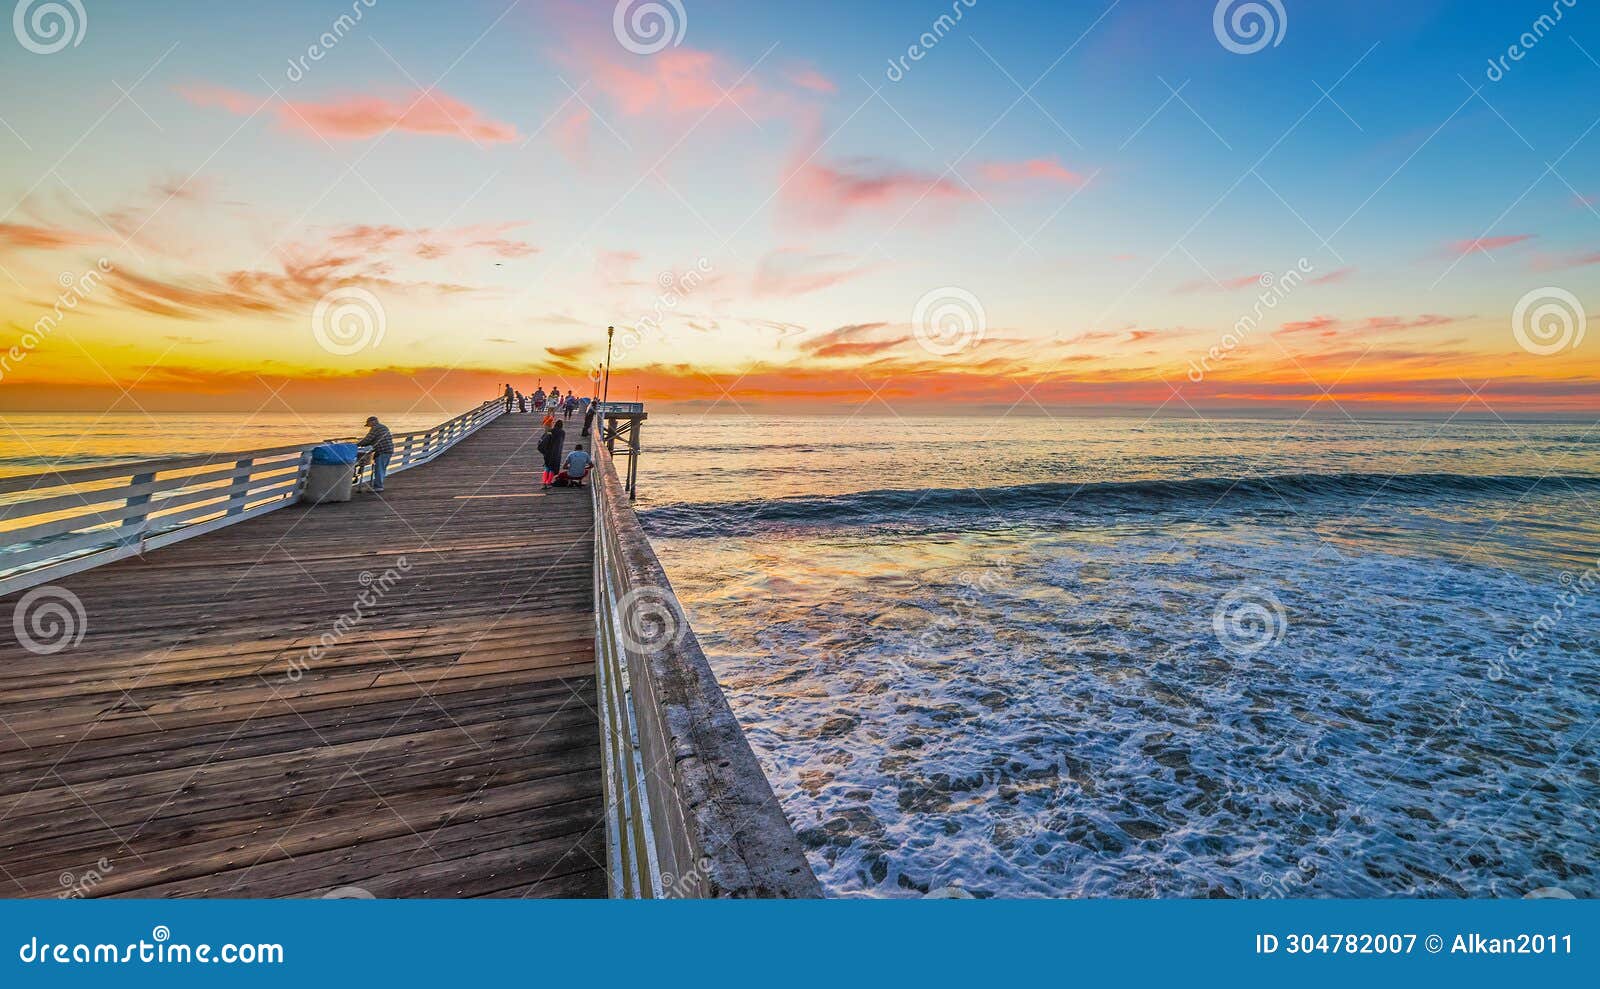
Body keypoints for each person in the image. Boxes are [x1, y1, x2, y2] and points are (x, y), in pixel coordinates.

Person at [356, 415, 394, 493]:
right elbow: (373, 440)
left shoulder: (375, 428)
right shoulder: (383, 427)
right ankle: (379, 485)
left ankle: (378, 487)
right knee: (382, 469)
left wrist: (356, 445)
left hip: (383, 451)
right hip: (389, 450)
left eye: (368, 424)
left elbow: (368, 439)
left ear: (372, 422)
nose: (369, 426)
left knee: (379, 469)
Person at [537, 419, 565, 488]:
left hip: (548, 452)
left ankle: (544, 482)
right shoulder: (562, 432)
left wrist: (543, 448)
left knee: (547, 467)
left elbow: (545, 439)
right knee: (552, 468)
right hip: (556, 453)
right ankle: (548, 482)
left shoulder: (550, 431)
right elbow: (561, 442)